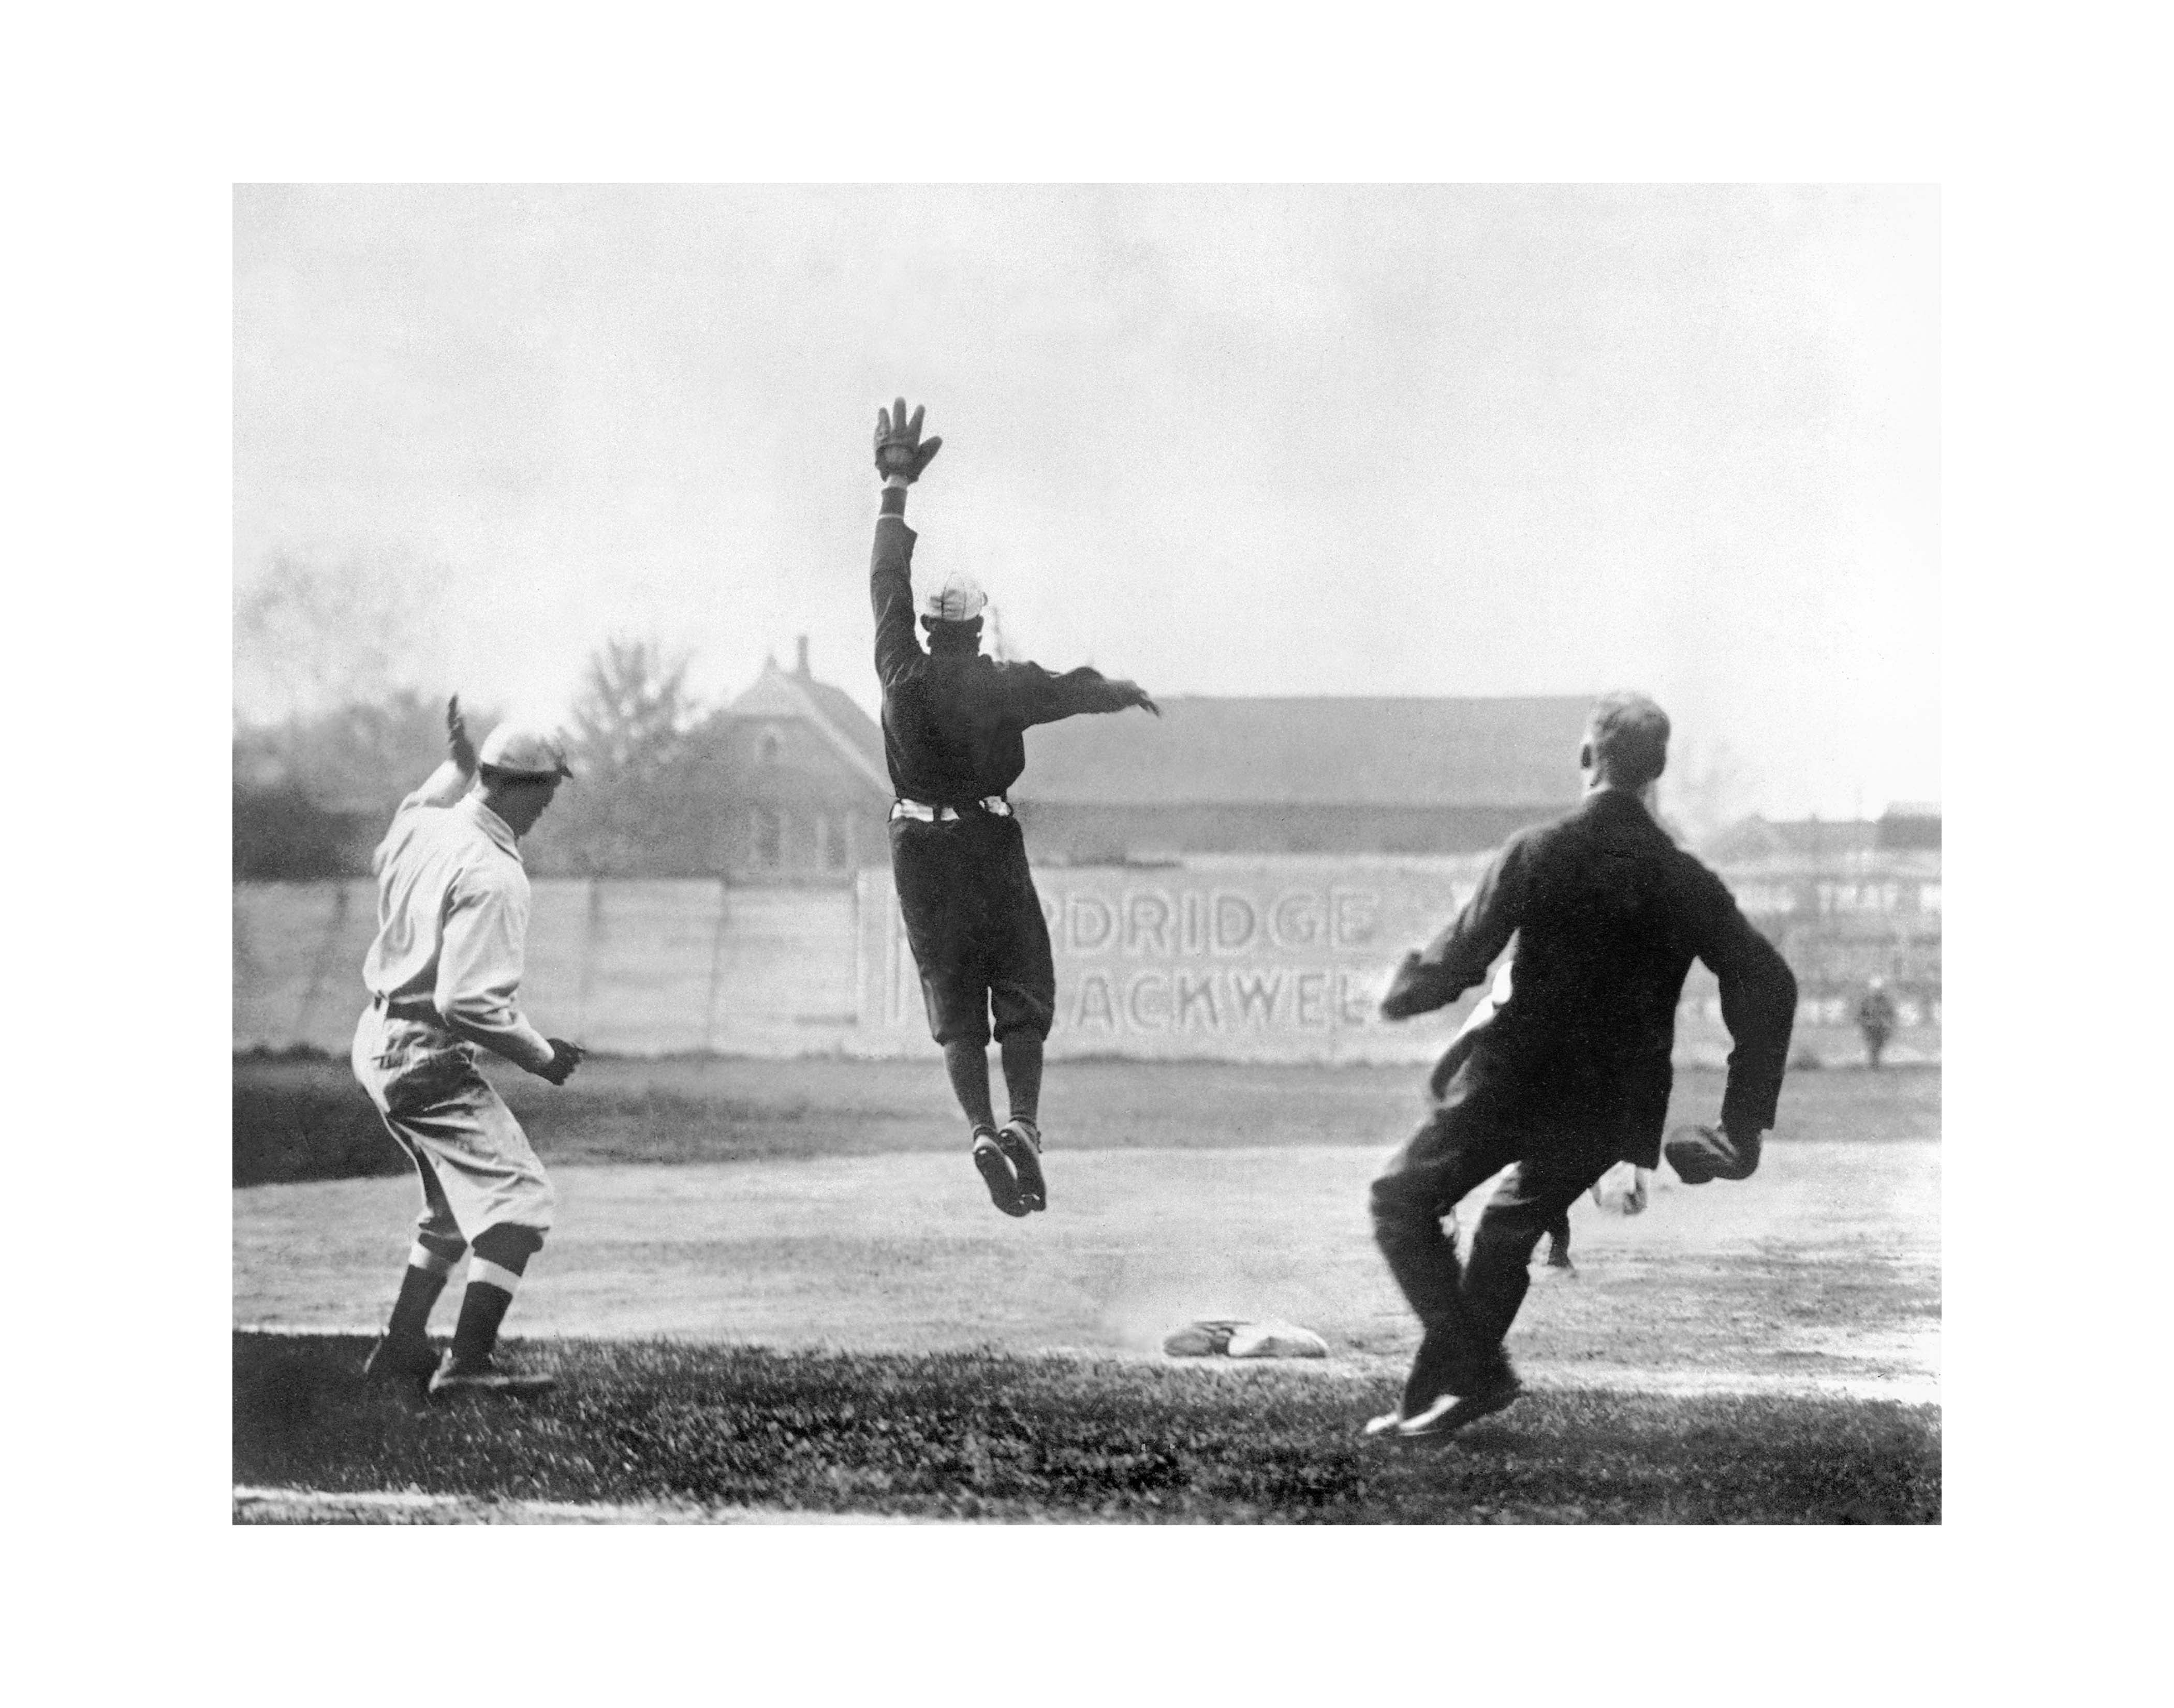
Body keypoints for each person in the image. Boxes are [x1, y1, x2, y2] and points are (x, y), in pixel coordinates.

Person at [1365, 692, 1798, 1438]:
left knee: (1401, 1201)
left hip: (1515, 1084)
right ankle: (1436, 1400)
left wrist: (1400, 991)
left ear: (1587, 757)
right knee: (1505, 1235)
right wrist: (1743, 1123)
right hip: (1614, 1107)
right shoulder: (1683, 877)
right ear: (1656, 770)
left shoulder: (1539, 850)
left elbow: (1461, 959)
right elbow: (1769, 981)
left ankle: (1478, 1374)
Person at [867, 400, 1159, 1216]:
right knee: (1021, 986)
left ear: (928, 625)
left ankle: (980, 1129)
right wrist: (1123, 692)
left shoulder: (899, 668)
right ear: (980, 627)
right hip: (990, 841)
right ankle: (1024, 1122)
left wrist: (895, 487)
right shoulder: (1002, 685)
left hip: (919, 849)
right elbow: (1071, 692)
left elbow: (884, 581)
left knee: (951, 997)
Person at [351, 698, 587, 1398]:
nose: (548, 802)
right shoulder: (493, 873)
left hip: (375, 1040)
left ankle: (399, 1348)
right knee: (518, 1202)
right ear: (518, 786)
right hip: (424, 1051)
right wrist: (542, 1056)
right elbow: (468, 1003)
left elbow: (424, 797)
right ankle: (469, 1362)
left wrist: (454, 763)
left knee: (454, 1208)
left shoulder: (418, 826)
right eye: (545, 787)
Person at [1856, 977, 1899, 1069]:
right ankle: (1874, 1062)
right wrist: (1866, 1022)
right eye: (1876, 990)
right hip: (1870, 1027)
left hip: (1882, 1028)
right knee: (1873, 1046)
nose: (1877, 992)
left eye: (1879, 990)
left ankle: (1875, 1062)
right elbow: (1860, 1015)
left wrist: (1888, 1023)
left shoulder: (1886, 1002)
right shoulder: (1867, 1002)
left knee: (1878, 1046)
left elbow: (1891, 1015)